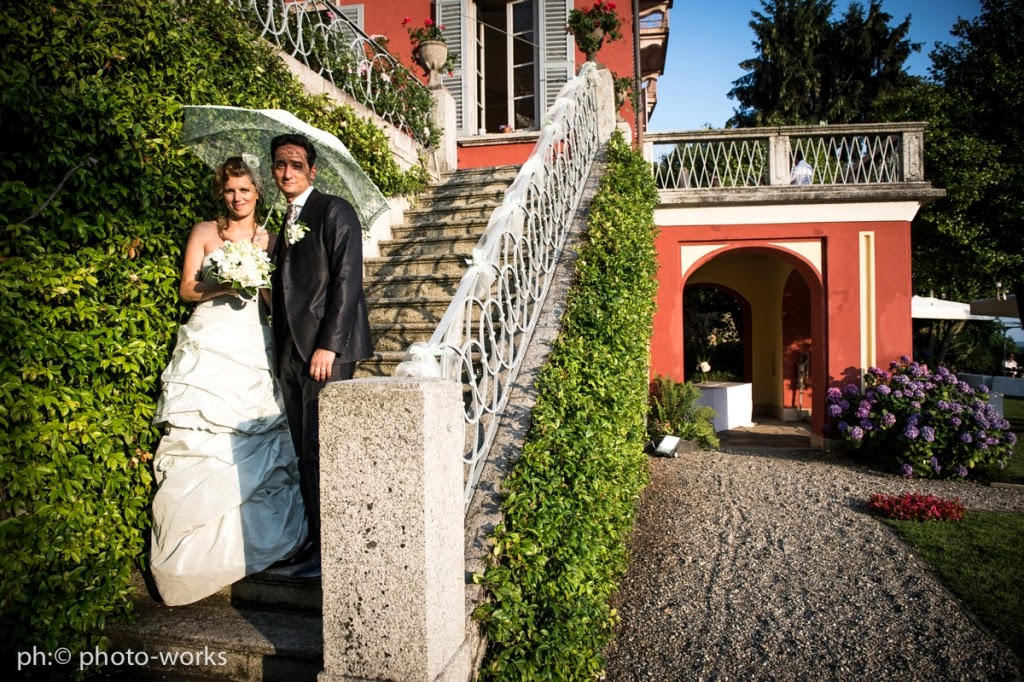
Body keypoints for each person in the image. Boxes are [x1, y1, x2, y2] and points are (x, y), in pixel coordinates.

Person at [148, 157, 308, 606]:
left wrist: (259, 281)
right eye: (230, 190)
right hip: (210, 337)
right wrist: (226, 280)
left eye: (245, 190)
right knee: (201, 433)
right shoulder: (203, 232)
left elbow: (278, 304)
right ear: (222, 193)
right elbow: (186, 289)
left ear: (259, 194)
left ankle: (259, 541)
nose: (237, 198)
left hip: (251, 342)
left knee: (256, 435)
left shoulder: (273, 239)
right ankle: (191, 555)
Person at [269, 134, 374, 581]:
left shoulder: (333, 210)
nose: (287, 172)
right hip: (291, 351)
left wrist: (329, 344)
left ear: (312, 170)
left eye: (295, 164)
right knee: (302, 451)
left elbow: (348, 280)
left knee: (322, 451)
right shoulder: (279, 222)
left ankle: (332, 551)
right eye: (279, 165)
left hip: (326, 350)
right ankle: (313, 540)